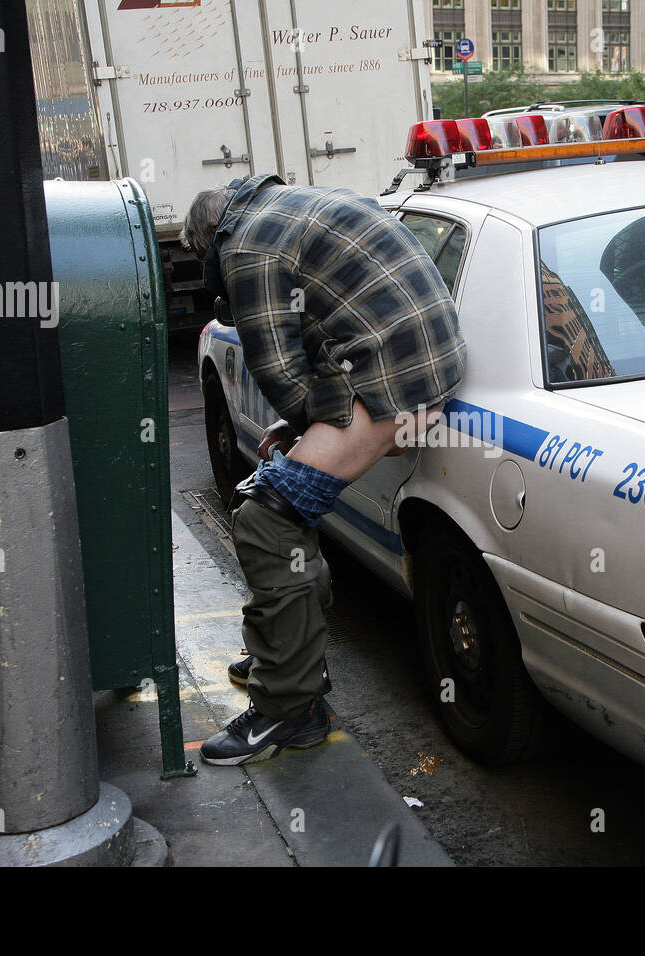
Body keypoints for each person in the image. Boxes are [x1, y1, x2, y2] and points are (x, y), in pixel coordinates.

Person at [180, 173, 466, 765]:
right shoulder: (299, 203)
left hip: (392, 378)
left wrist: (302, 423)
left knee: (268, 517)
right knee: (291, 493)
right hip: (420, 359)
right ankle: (292, 653)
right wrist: (305, 431)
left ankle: (291, 708)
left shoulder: (247, 248)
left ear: (210, 240)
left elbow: (280, 370)